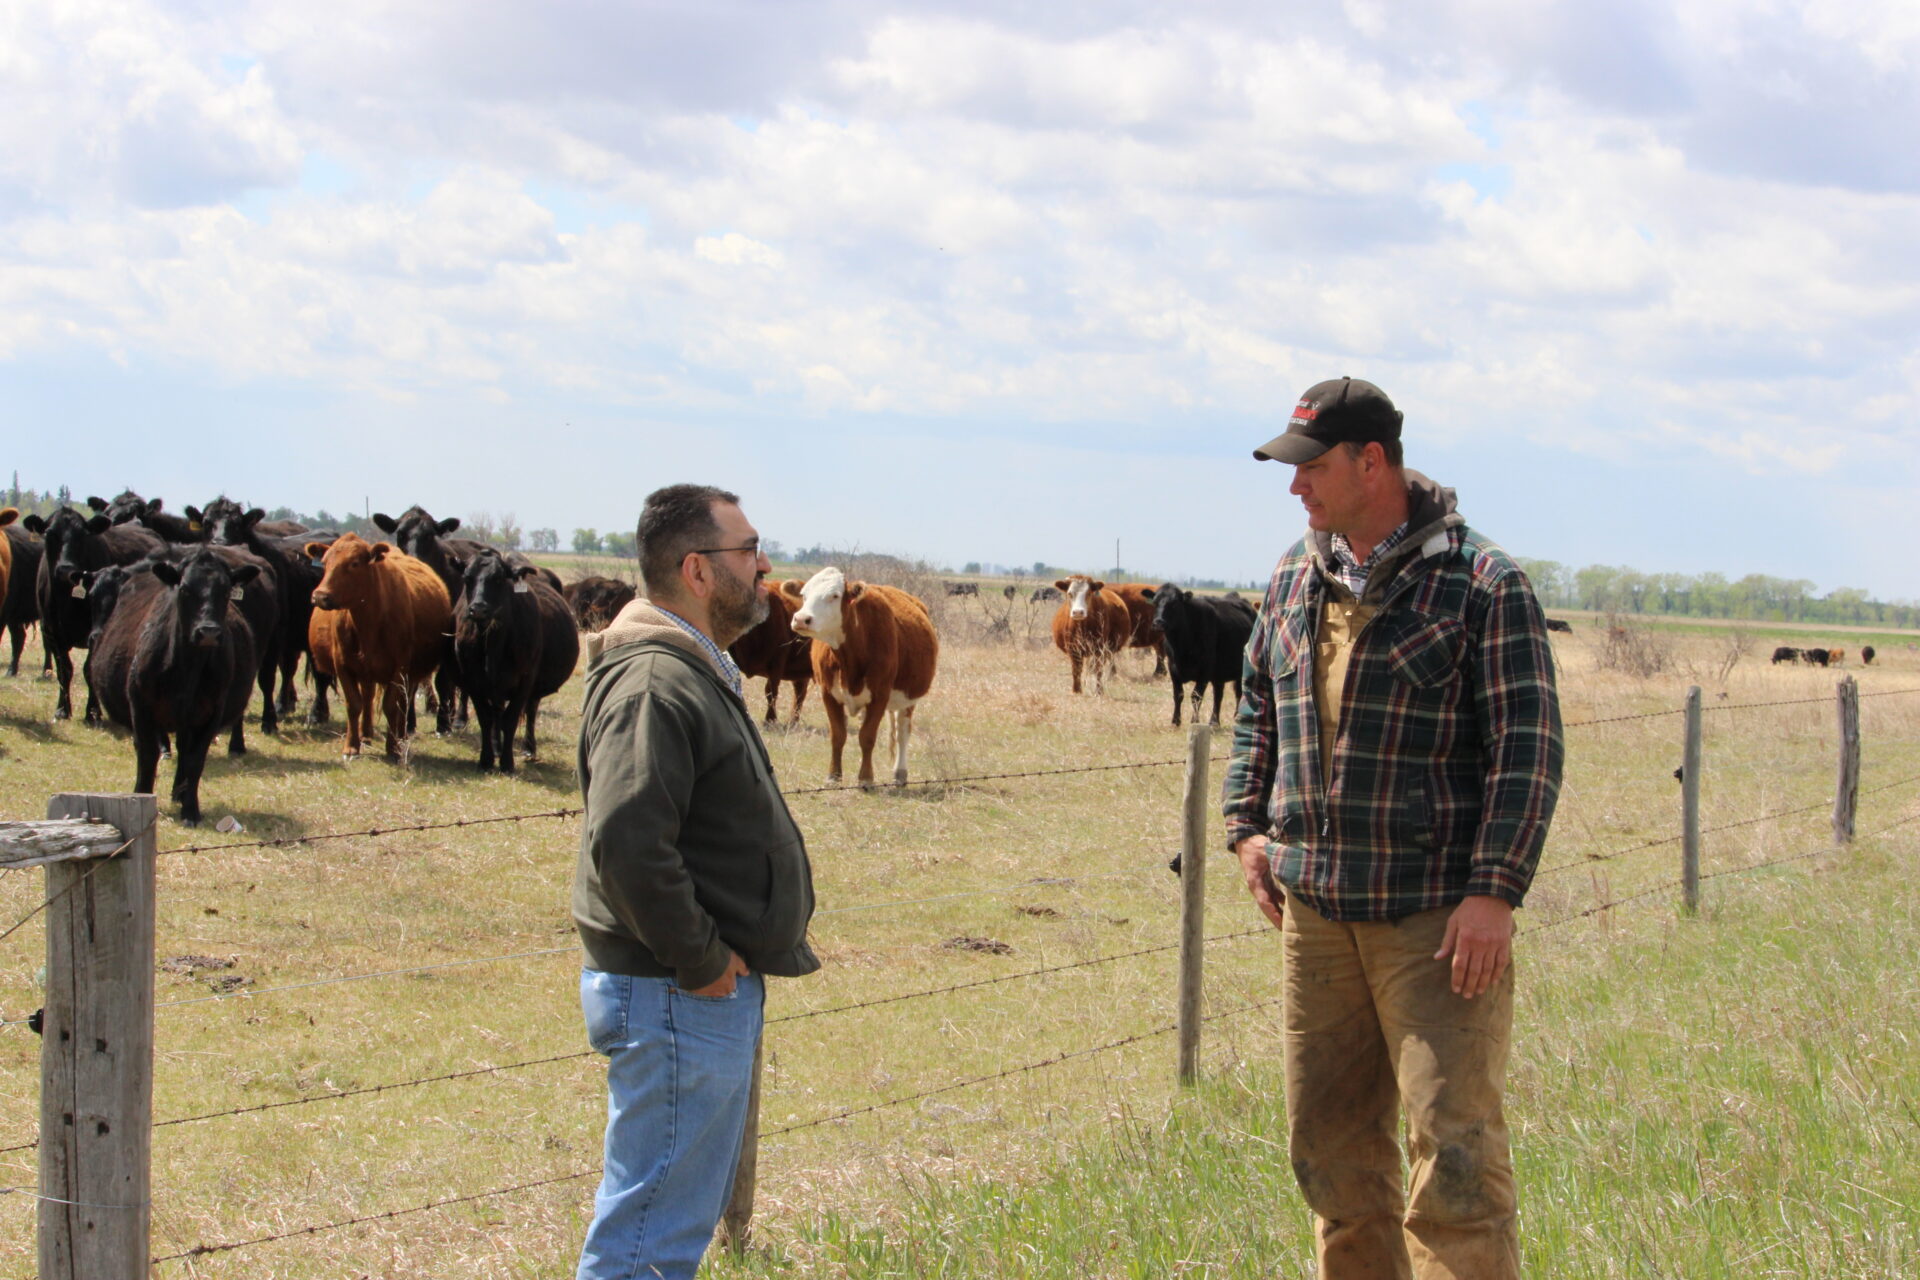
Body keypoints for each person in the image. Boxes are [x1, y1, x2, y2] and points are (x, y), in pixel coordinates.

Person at [1222, 377, 1564, 1279]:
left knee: (1453, 1163)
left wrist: (1494, 892)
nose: (1296, 488)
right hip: (1318, 919)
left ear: (1372, 462)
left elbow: (1526, 750)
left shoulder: (1483, 584)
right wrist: (1247, 826)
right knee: (1332, 1158)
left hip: (1435, 925)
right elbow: (1260, 698)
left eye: (1313, 468)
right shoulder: (1298, 574)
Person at [572, 483, 818, 1280]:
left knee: (662, 1230)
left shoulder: (686, 669)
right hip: (675, 994)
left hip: (681, 993)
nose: (766, 564)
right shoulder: (655, 681)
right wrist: (703, 962)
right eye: (748, 551)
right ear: (698, 570)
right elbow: (629, 841)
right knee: (649, 1242)